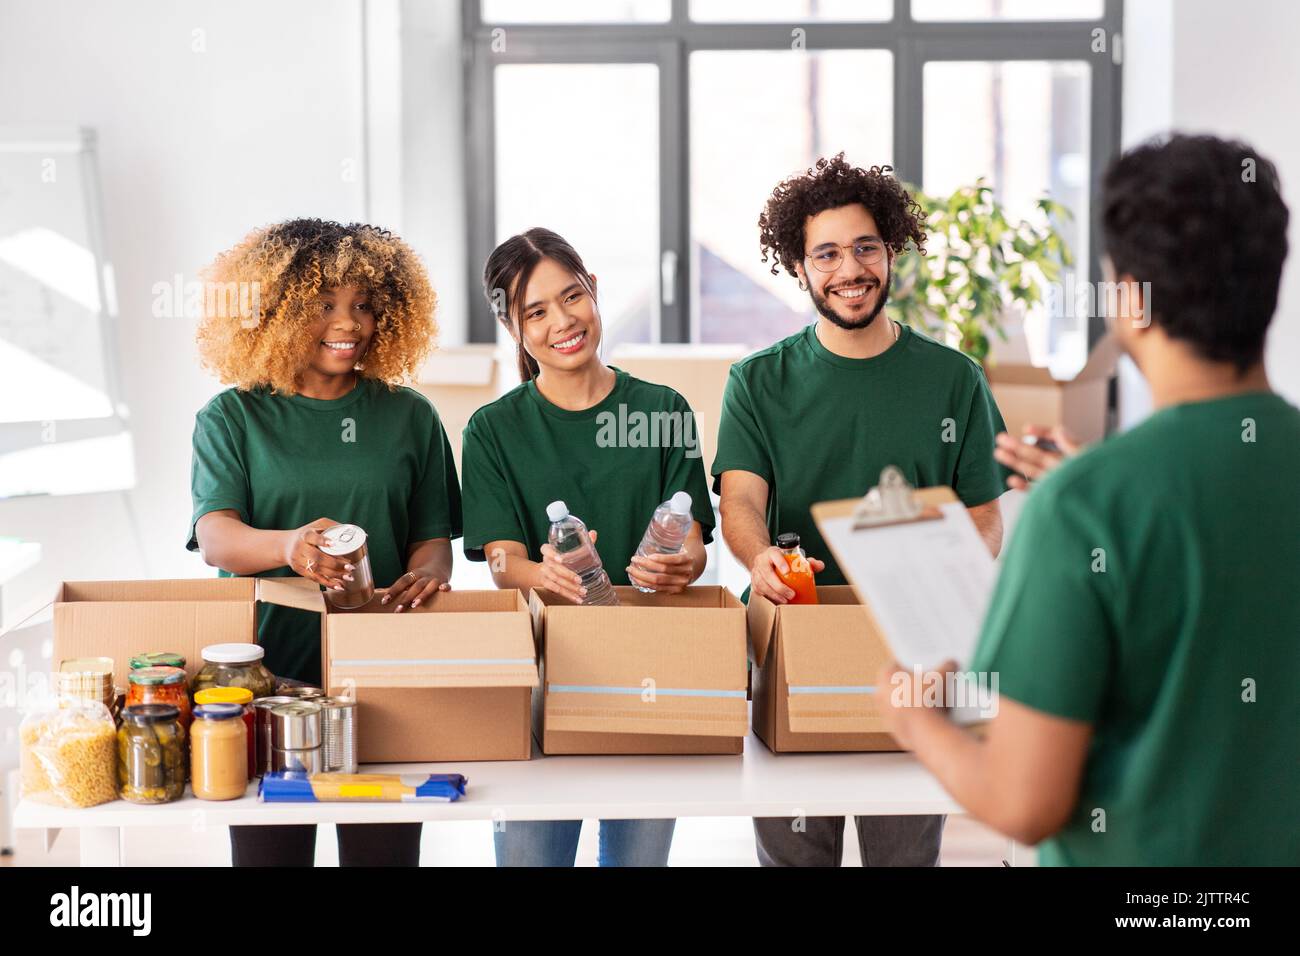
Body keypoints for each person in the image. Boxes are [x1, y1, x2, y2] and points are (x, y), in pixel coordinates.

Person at [876, 134, 1300, 865]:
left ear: (1131, 300)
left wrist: (916, 722)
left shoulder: (1085, 507)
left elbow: (1023, 802)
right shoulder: (1096, 500)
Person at [713, 154, 1010, 867]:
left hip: (914, 654)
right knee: (795, 858)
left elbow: (985, 517)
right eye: (827, 253)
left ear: (892, 251)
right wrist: (761, 560)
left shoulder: (954, 380)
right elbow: (741, 503)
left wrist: (930, 577)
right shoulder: (758, 383)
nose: (850, 269)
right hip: (794, 643)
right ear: (799, 266)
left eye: (866, 247)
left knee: (905, 857)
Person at [189, 218, 462, 866]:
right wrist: (289, 547)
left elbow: (433, 543)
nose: (351, 324)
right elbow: (216, 537)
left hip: (385, 679)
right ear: (279, 309)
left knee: (383, 857)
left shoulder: (409, 416)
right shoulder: (233, 418)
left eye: (365, 305)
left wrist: (426, 573)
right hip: (269, 679)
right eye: (325, 304)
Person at [461, 227, 714, 866]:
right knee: (530, 858)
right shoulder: (493, 430)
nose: (562, 321)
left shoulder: (663, 411)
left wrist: (682, 561)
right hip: (546, 671)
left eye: (571, 297)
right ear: (513, 328)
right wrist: (538, 571)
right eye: (535, 312)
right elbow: (498, 561)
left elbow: (695, 539)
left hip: (650, 675)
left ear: (594, 292)